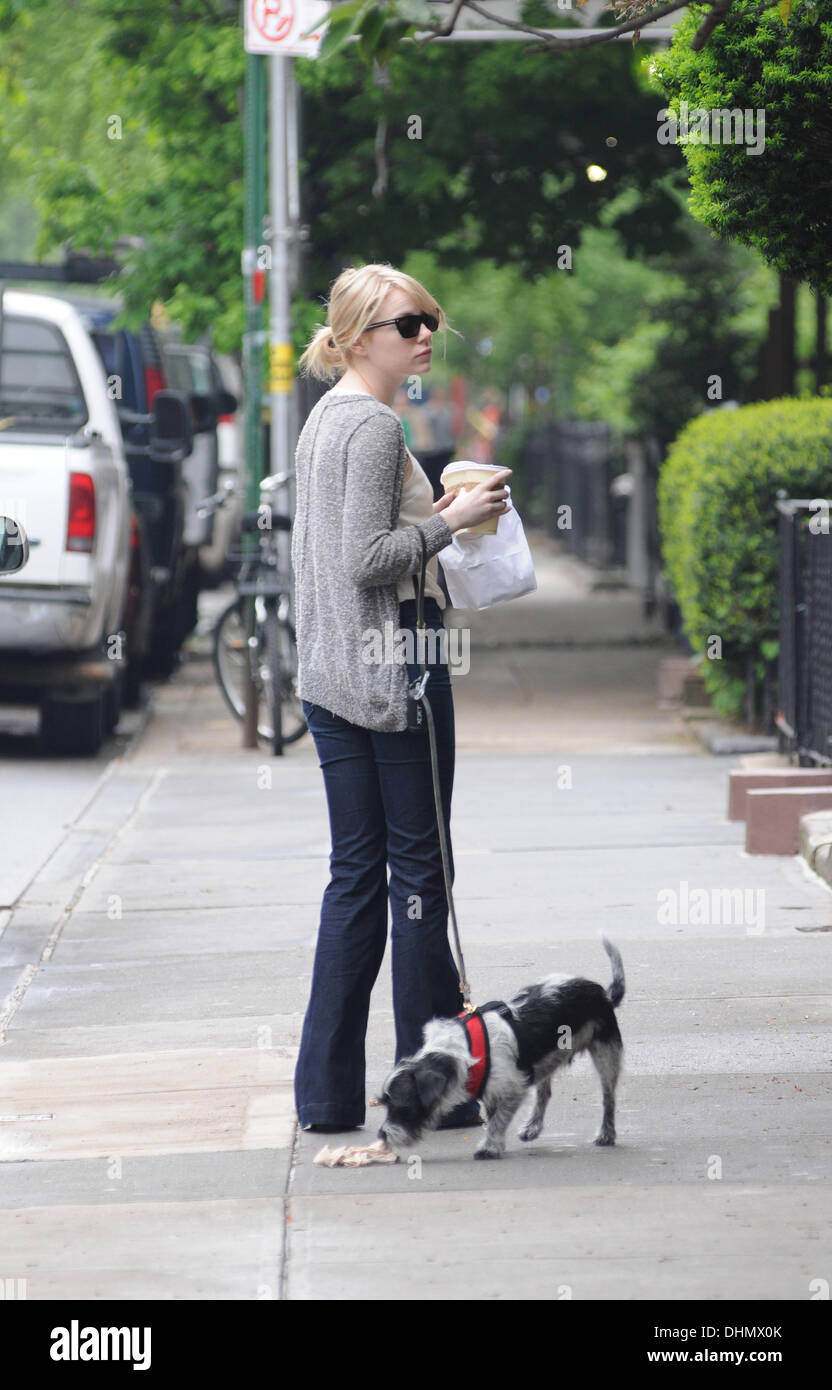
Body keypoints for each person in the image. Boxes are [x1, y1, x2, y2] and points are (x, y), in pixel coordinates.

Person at [291, 263, 512, 1133]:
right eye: (404, 323)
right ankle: (435, 1088)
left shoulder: (322, 420)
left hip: (331, 670)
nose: (423, 334)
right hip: (397, 660)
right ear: (353, 338)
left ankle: (327, 1096)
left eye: (427, 319)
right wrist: (453, 521)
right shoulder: (375, 428)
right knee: (419, 873)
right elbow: (365, 560)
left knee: (356, 876)